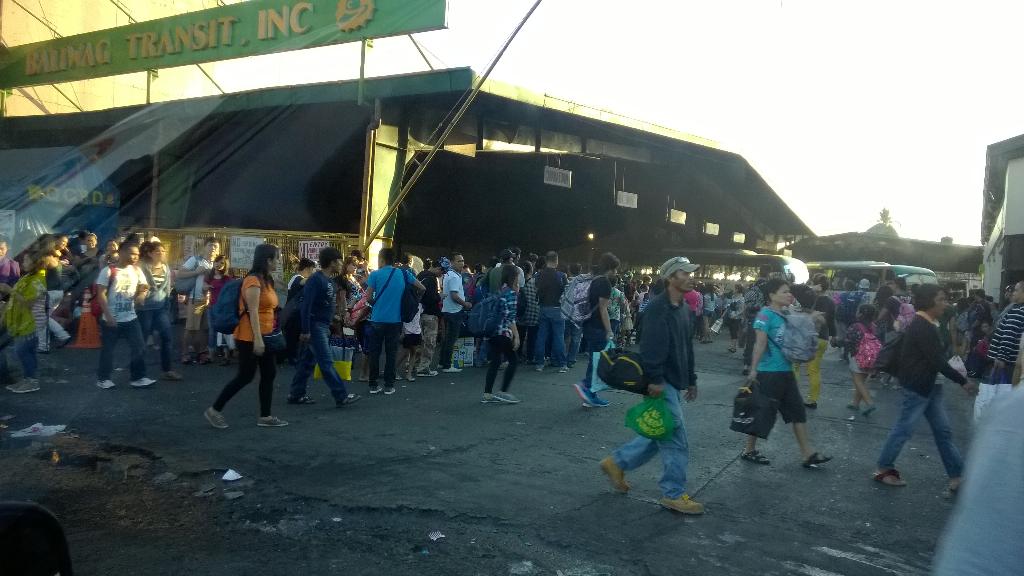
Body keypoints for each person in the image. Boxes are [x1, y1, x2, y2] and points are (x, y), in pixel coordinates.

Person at [599, 256, 703, 515]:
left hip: (674, 380)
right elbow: (650, 347)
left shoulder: (683, 308)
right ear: (670, 277)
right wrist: (655, 379)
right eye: (684, 273)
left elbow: (687, 347)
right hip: (662, 381)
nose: (690, 277)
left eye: (690, 273)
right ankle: (673, 494)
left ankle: (616, 462)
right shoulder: (658, 308)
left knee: (660, 432)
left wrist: (691, 379)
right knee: (676, 439)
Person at [873, 284, 977, 492]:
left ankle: (957, 475)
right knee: (904, 429)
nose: (945, 304)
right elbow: (937, 361)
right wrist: (963, 381)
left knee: (943, 432)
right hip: (918, 387)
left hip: (931, 386)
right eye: (941, 299)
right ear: (929, 302)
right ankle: (884, 468)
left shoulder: (929, 323)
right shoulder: (922, 325)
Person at [933, 387, 1024, 576]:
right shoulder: (1013, 411)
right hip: (922, 389)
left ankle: (956, 475)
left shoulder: (1010, 409)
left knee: (939, 430)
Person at [742, 278, 832, 468]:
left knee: (798, 412)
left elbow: (802, 323)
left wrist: (814, 318)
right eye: (784, 291)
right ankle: (749, 450)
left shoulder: (787, 313)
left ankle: (808, 454)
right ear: (771, 295)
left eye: (789, 291)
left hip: (787, 371)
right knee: (762, 413)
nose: (789, 294)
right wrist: (753, 369)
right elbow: (759, 344)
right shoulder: (764, 315)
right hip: (769, 373)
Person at [205, 244, 288, 428]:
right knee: (245, 376)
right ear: (268, 260)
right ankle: (214, 410)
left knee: (269, 373)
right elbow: (252, 312)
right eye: (277, 258)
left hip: (266, 335)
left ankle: (265, 416)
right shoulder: (253, 281)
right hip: (249, 337)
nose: (279, 261)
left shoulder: (267, 280)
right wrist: (258, 339)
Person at [287, 247, 363, 408]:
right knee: (326, 362)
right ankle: (341, 395)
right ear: (332, 262)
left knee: (307, 362)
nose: (342, 263)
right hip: (315, 327)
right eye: (339, 260)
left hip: (322, 325)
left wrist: (333, 320)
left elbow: (324, 305)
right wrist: (306, 330)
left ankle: (296, 393)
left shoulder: (328, 281)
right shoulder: (316, 280)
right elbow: (307, 305)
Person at [94, 242, 156, 390]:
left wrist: (141, 295)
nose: (135, 257)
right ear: (121, 253)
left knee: (139, 347)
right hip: (110, 319)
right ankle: (103, 379)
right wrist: (108, 315)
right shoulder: (108, 271)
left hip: (130, 317)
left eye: (137, 254)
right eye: (132, 253)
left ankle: (138, 377)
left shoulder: (136, 270)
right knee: (108, 350)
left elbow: (144, 286)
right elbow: (100, 294)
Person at [364, 248, 424, 395]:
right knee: (391, 353)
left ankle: (373, 385)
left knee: (375, 353)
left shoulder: (375, 274)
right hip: (395, 320)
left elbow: (368, 297)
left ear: (381, 259)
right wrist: (412, 301)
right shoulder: (403, 274)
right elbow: (422, 287)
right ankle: (389, 385)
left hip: (377, 319)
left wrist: (376, 304)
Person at [3, 245, 60, 394]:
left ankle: (32, 381)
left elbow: (29, 303)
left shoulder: (37, 280)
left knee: (22, 352)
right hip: (21, 321)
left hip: (29, 323)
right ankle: (28, 379)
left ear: (36, 263)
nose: (23, 262)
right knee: (26, 352)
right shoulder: (28, 276)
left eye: (26, 260)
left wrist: (10, 290)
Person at [572, 252, 620, 408]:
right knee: (598, 361)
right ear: (611, 268)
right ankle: (587, 387)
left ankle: (589, 394)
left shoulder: (593, 279)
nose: (616, 272)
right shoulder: (605, 283)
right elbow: (603, 309)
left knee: (595, 359)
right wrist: (609, 330)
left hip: (588, 324)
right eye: (615, 269)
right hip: (598, 327)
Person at [977, 280, 1024, 420]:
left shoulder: (1019, 311)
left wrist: (1001, 357)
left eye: (1016, 290)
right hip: (1006, 360)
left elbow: (1009, 335)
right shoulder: (1016, 309)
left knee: (1001, 392)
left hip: (1006, 362)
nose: (1013, 293)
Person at [138, 241, 182, 382]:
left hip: (161, 308)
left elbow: (167, 288)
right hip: (144, 308)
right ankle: (138, 372)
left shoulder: (165, 267)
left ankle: (167, 370)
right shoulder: (142, 266)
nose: (161, 253)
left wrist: (167, 305)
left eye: (163, 251)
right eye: (157, 251)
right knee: (142, 340)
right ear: (150, 253)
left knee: (167, 337)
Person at [481, 264, 521, 404]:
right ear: (514, 277)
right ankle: (503, 391)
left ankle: (487, 394)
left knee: (496, 361)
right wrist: (516, 336)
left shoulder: (500, 290)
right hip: (503, 332)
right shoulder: (511, 293)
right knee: (513, 360)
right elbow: (510, 316)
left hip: (491, 332)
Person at [792, 278, 834, 409]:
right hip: (823, 338)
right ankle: (812, 399)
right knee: (814, 369)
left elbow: (793, 288)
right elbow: (831, 321)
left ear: (817, 285)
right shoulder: (831, 301)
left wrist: (806, 309)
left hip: (807, 337)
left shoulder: (812, 298)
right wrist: (834, 336)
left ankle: (793, 396)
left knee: (795, 365)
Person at [176, 238, 219, 365]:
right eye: (210, 245)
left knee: (204, 329)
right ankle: (185, 354)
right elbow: (180, 274)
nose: (213, 248)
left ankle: (201, 352)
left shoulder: (216, 264)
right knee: (191, 328)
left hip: (209, 302)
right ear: (204, 247)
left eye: (216, 246)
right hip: (196, 299)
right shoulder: (195, 260)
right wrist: (196, 272)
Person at [534, 251, 568, 372]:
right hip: (557, 309)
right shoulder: (561, 276)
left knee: (541, 336)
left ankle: (539, 363)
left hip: (543, 308)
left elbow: (537, 289)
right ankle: (562, 364)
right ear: (556, 261)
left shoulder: (539, 275)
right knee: (558, 337)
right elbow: (566, 293)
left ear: (546, 260)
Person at [438, 253, 471, 374]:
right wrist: (465, 304)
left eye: (462, 260)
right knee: (451, 339)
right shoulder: (454, 277)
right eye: (459, 261)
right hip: (454, 311)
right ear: (452, 262)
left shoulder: (449, 274)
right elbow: (454, 295)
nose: (462, 263)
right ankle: (447, 365)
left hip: (448, 310)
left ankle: (442, 362)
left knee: (447, 338)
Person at [845, 304, 879, 416]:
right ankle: (855, 403)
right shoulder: (874, 326)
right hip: (871, 358)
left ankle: (869, 403)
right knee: (861, 381)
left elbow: (848, 340)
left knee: (858, 381)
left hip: (858, 356)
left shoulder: (855, 326)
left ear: (860, 313)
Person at [282, 258, 316, 364]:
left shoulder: (297, 277)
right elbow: (302, 282)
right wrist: (316, 276)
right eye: (312, 269)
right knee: (292, 336)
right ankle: (291, 357)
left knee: (293, 336)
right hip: (293, 313)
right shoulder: (297, 277)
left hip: (294, 312)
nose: (312, 272)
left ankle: (292, 356)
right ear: (307, 268)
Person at [204, 255, 235, 365]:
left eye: (222, 263)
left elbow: (232, 292)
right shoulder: (209, 276)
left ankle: (226, 357)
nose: (218, 264)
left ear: (225, 265)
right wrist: (206, 287)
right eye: (217, 262)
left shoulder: (227, 279)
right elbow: (203, 288)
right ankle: (211, 355)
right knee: (212, 331)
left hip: (222, 309)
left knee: (223, 331)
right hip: (211, 307)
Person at [415, 259, 443, 377]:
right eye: (442, 271)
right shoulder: (432, 279)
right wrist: (439, 296)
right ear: (438, 268)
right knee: (429, 342)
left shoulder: (420, 275)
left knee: (418, 341)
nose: (441, 274)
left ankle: (413, 364)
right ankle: (424, 367)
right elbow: (430, 298)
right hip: (430, 313)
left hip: (418, 313)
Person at [742, 271, 769, 375]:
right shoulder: (763, 293)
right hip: (761, 317)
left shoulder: (751, 292)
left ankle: (747, 365)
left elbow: (745, 307)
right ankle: (756, 365)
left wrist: (744, 320)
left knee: (750, 342)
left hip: (753, 318)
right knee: (760, 342)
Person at [835, 279, 869, 362]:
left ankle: (844, 353)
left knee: (844, 337)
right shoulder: (864, 295)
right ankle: (850, 354)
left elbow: (837, 306)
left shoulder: (843, 295)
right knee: (852, 337)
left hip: (843, 319)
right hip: (855, 319)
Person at [564, 262, 588, 367]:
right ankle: (571, 359)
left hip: (566, 312)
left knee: (564, 337)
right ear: (580, 270)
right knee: (576, 338)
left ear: (569, 270)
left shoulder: (566, 281)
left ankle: (562, 358)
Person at [516, 261, 539, 363]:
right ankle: (530, 357)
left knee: (520, 335)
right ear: (531, 270)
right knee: (532, 337)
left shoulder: (518, 284)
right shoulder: (535, 282)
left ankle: (518, 355)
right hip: (533, 313)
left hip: (521, 314)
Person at [723, 284, 745, 353]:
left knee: (734, 331)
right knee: (731, 331)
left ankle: (734, 347)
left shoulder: (742, 298)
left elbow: (742, 309)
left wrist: (735, 315)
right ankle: (732, 345)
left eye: (734, 288)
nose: (733, 290)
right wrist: (724, 314)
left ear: (737, 289)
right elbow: (729, 306)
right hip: (731, 316)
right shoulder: (733, 297)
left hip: (737, 318)